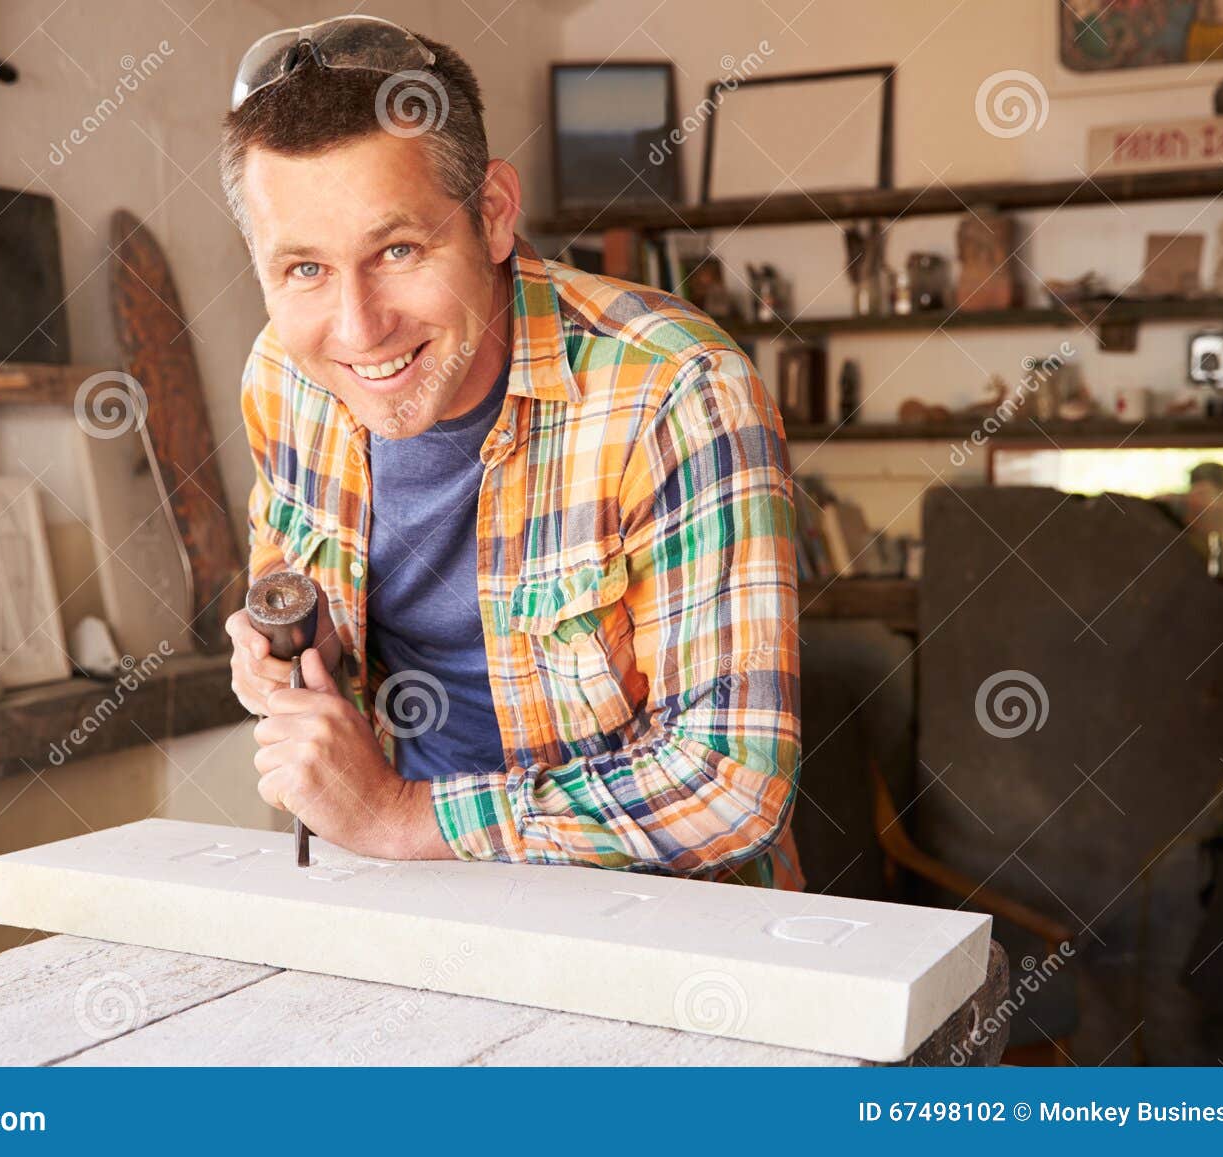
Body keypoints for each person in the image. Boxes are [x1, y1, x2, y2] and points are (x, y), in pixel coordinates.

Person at [219, 15, 803, 887]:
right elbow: (300, 585)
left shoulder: (676, 388)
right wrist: (299, 653)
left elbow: (729, 784)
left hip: (655, 936)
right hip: (400, 895)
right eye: (303, 269)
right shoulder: (284, 376)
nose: (358, 328)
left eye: (400, 249)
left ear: (492, 215)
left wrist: (395, 815)